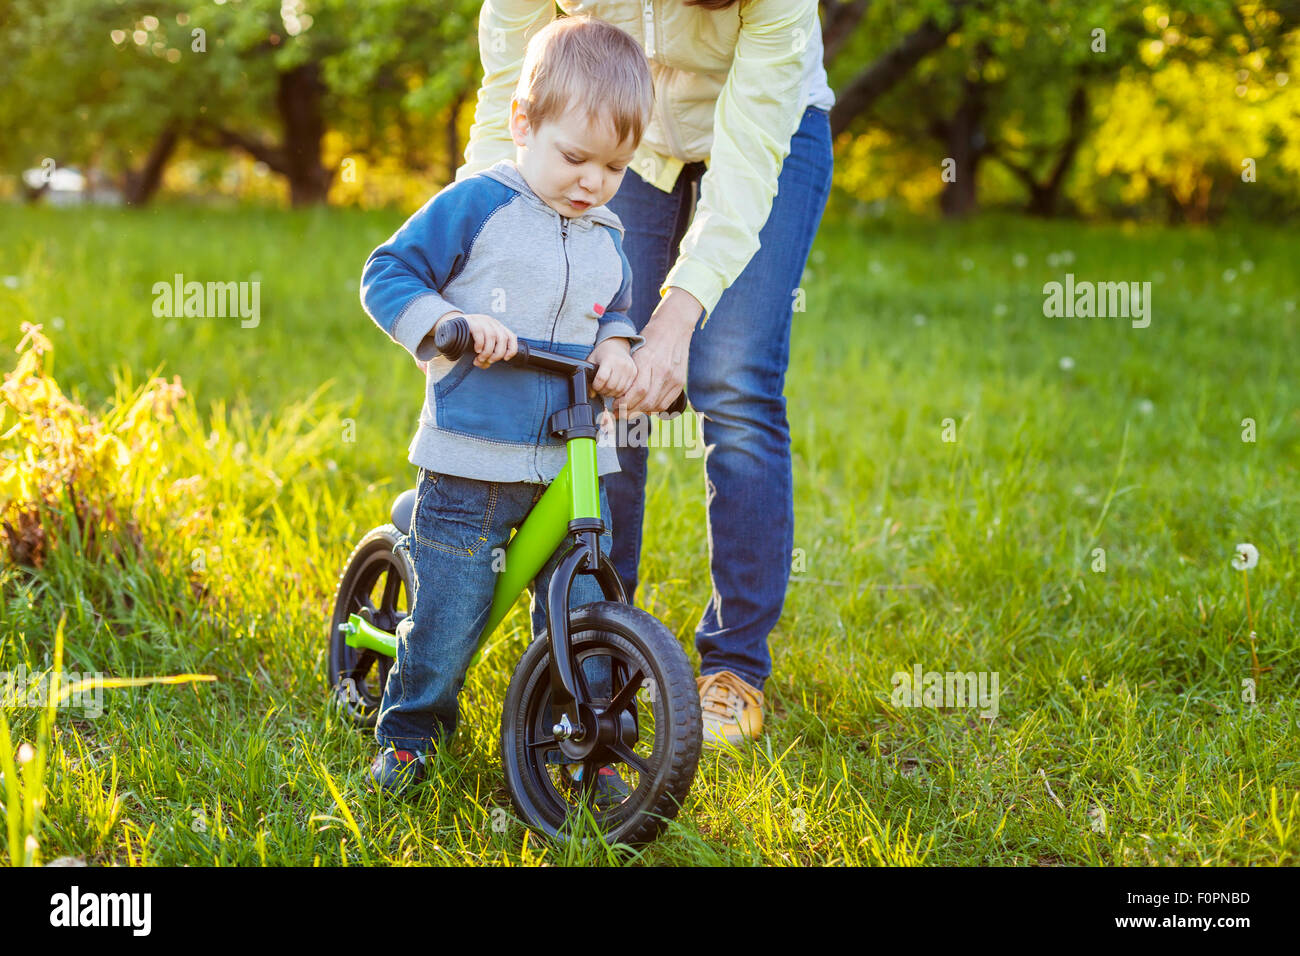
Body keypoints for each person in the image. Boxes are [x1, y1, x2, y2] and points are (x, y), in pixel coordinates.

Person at [456, 1, 835, 748]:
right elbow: (509, 103)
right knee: (601, 382)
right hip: (618, 135)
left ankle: (734, 669)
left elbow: (747, 158)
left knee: (733, 379)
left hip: (768, 135)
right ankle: (596, 657)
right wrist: (468, 261)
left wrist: (674, 322)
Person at [358, 16, 653, 794]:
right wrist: (449, 324)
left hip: (571, 465)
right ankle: (410, 735)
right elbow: (387, 272)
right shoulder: (477, 202)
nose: (593, 182)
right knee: (450, 622)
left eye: (615, 167)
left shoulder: (608, 236)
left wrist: (619, 349)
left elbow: (613, 309)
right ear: (523, 124)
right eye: (575, 157)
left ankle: (578, 739)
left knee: (588, 604)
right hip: (472, 459)